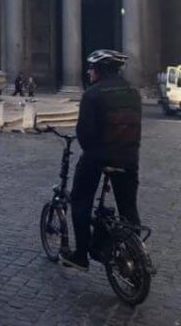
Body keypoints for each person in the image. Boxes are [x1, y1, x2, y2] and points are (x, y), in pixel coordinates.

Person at [60, 49, 141, 272]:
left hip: (99, 156)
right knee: (128, 206)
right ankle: (136, 252)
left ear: (99, 71)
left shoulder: (93, 94)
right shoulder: (133, 92)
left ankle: (80, 256)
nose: (89, 73)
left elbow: (85, 134)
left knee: (80, 200)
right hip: (129, 156)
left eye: (91, 69)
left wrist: (93, 153)